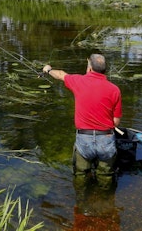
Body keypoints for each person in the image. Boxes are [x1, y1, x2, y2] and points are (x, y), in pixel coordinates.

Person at [42, 53, 122, 188]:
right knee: (106, 175)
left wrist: (48, 70)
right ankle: (105, 198)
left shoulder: (78, 81)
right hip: (106, 140)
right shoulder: (115, 90)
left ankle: (81, 198)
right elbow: (116, 122)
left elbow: (61, 74)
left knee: (80, 174)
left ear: (90, 68)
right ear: (104, 70)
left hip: (84, 139)